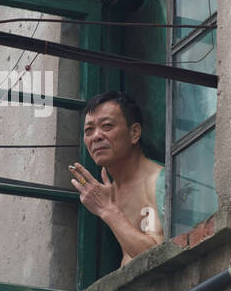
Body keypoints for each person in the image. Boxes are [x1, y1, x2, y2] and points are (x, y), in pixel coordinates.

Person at [69, 91, 166, 267]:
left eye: (107, 126)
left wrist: (107, 210)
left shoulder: (156, 182)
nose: (96, 136)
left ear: (134, 133)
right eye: (89, 130)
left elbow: (155, 255)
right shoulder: (109, 191)